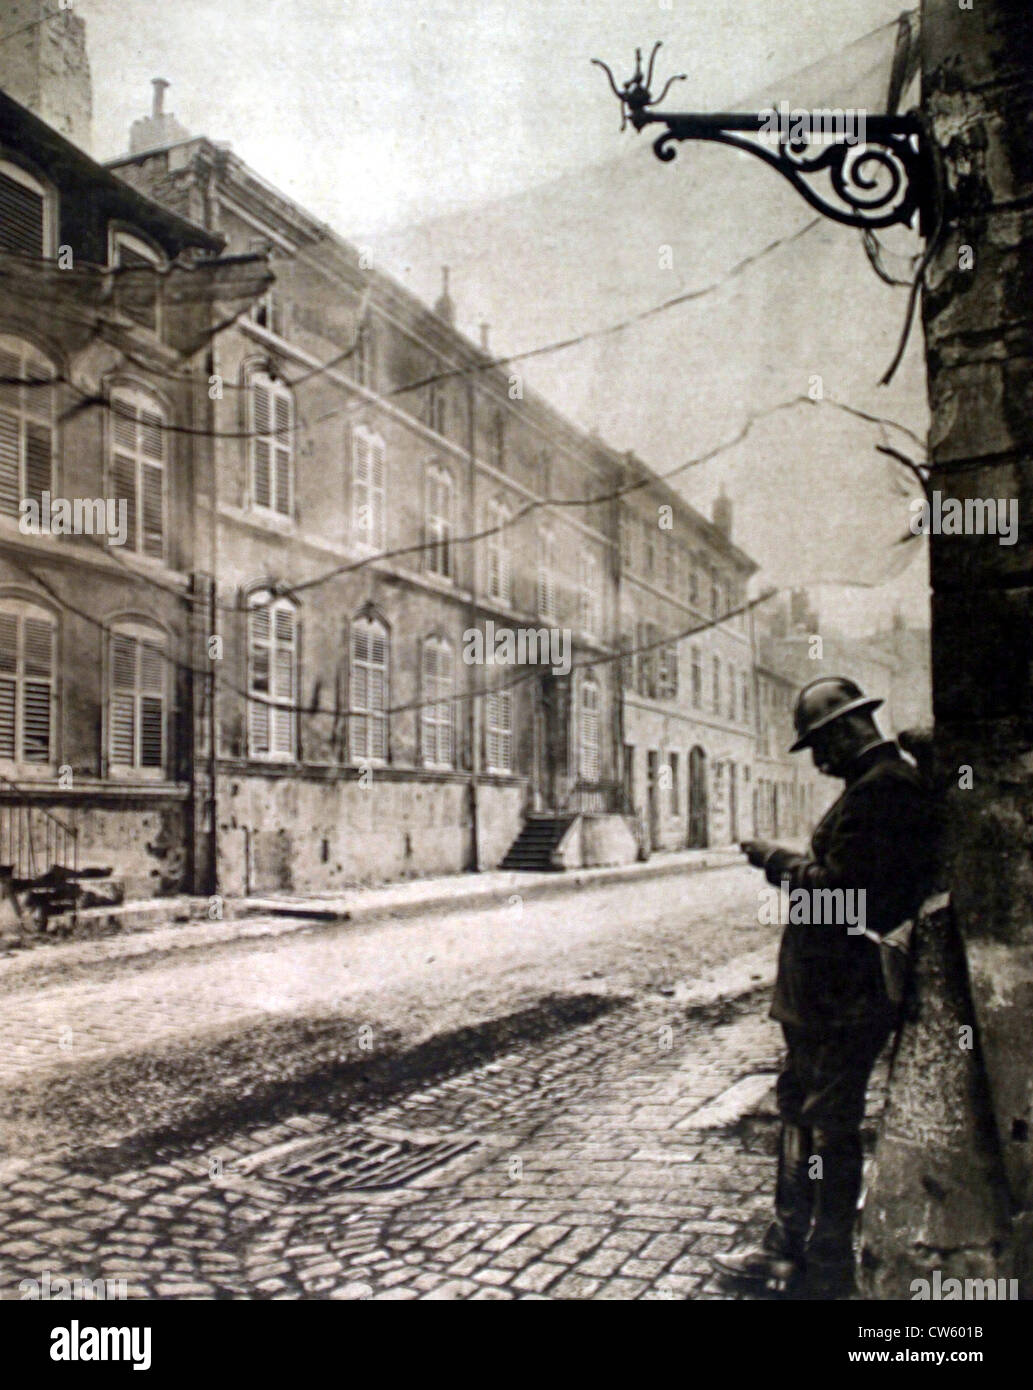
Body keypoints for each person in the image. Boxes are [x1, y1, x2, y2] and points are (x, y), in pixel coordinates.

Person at [712, 676, 939, 1298]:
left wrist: (777, 862)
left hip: (842, 994)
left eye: (818, 743)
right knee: (805, 1110)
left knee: (827, 1123)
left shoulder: (885, 789)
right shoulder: (877, 784)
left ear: (846, 729)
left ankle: (823, 1259)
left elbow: (848, 895)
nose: (816, 759)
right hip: (829, 992)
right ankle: (792, 1245)